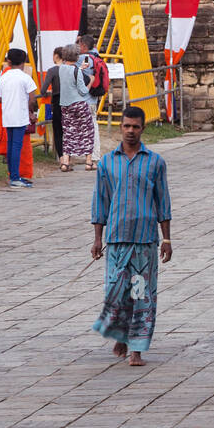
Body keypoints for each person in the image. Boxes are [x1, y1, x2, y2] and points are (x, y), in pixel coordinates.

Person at [90, 107, 172, 366]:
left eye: (136, 127)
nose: (130, 131)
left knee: (140, 294)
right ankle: (121, 335)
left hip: (145, 242)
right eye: (126, 126)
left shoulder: (155, 162)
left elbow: (163, 202)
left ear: (143, 128)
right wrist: (97, 238)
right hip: (116, 240)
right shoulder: (106, 163)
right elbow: (100, 202)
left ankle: (136, 349)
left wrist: (166, 239)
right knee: (116, 292)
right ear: (120, 127)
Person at [0, 48, 39, 188]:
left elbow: (0, 97)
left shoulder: (4, 77)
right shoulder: (25, 77)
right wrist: (31, 112)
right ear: (24, 61)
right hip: (20, 116)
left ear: (8, 61)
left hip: (7, 116)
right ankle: (15, 177)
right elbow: (32, 99)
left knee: (11, 146)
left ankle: (13, 175)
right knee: (17, 147)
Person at [59, 44, 96, 171]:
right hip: (79, 104)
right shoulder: (77, 71)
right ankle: (88, 162)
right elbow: (83, 91)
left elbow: (70, 72)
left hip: (65, 105)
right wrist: (91, 81)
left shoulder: (61, 69)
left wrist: (80, 69)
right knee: (87, 131)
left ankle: (65, 162)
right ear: (77, 56)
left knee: (68, 132)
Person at [76, 34, 107, 158]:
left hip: (86, 99)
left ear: (83, 46)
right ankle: (94, 154)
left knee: (88, 127)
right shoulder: (96, 55)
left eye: (79, 45)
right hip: (93, 99)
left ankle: (91, 155)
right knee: (93, 125)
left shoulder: (85, 58)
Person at [39, 48, 65, 158]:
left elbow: (43, 90)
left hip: (58, 101)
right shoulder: (71, 69)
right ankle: (69, 157)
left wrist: (50, 91)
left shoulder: (52, 71)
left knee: (58, 131)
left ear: (56, 56)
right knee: (69, 131)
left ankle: (62, 158)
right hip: (70, 102)